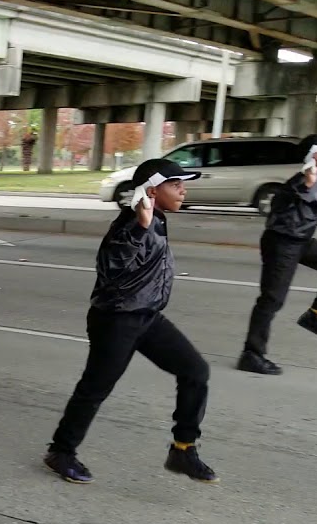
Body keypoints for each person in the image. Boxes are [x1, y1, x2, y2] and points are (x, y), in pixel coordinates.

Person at [45, 158, 217, 485]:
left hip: (146, 315)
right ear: (153, 190)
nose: (183, 189)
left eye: (183, 183)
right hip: (116, 320)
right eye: (175, 184)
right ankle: (61, 451)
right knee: (95, 388)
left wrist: (147, 222)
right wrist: (140, 225)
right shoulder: (129, 224)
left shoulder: (156, 220)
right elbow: (111, 268)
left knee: (196, 370)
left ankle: (183, 449)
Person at [238, 131, 317, 375]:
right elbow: (301, 190)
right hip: (282, 243)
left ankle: (316, 314)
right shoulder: (305, 179)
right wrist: (308, 179)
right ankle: (252, 355)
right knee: (272, 299)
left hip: (300, 240)